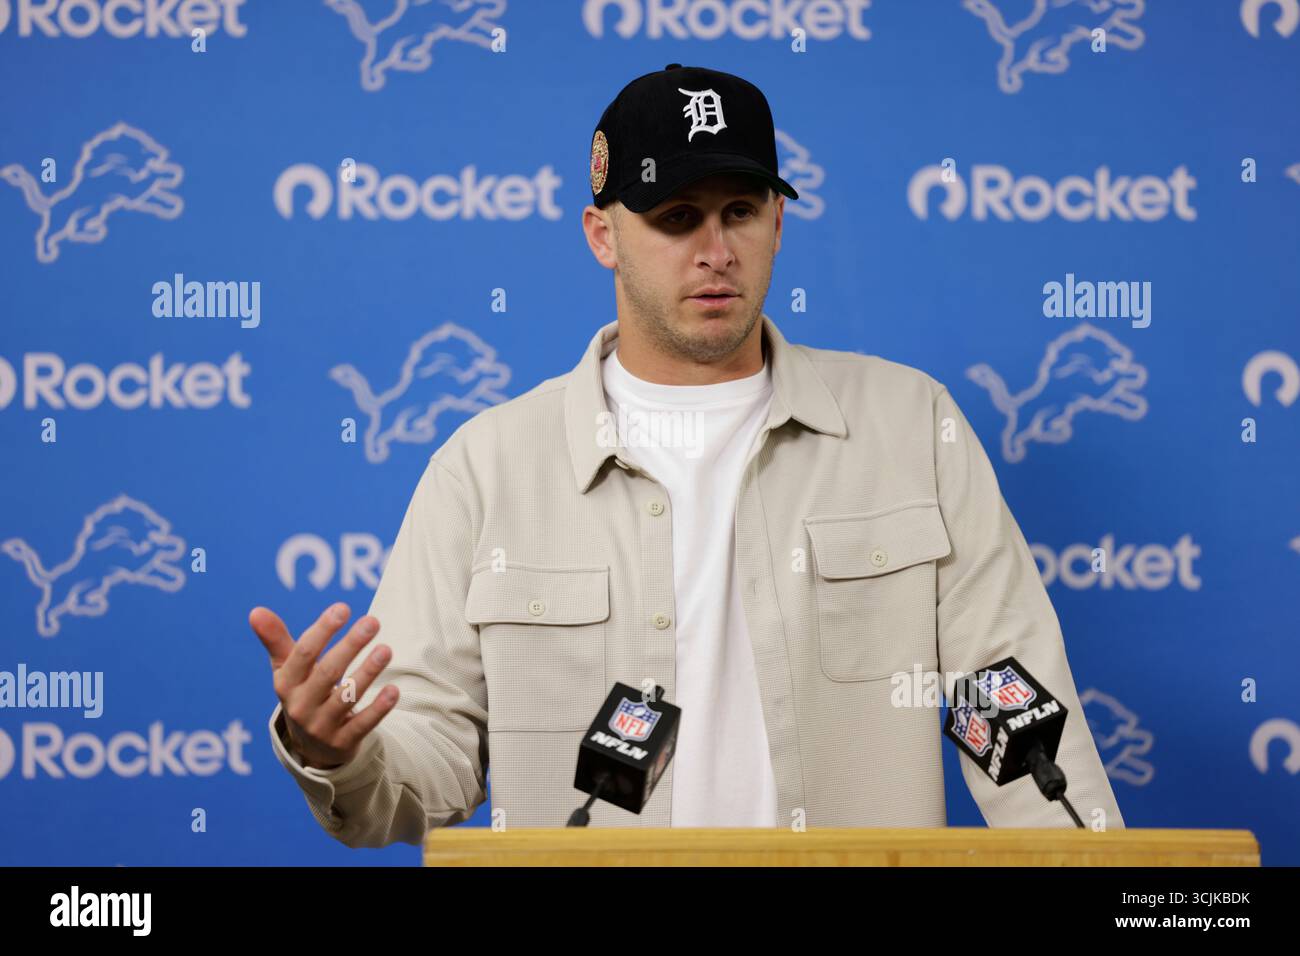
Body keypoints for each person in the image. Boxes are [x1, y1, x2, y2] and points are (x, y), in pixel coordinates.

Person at [249, 64, 1124, 847]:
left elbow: (1012, 715)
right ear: (603, 235)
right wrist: (338, 751)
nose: (716, 251)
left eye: (739, 211)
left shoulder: (910, 427)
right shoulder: (484, 468)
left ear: (779, 222)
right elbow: (427, 775)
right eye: (676, 217)